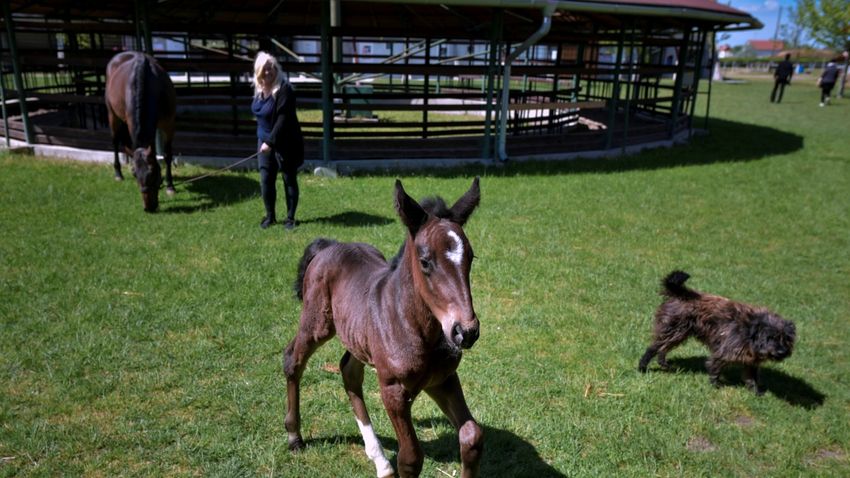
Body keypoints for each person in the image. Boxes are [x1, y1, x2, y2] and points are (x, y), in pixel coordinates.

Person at [251, 51, 304, 229]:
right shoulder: (259, 91)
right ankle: (270, 216)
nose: (269, 72)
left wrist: (270, 142)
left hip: (285, 142)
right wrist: (262, 140)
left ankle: (290, 218)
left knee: (289, 179)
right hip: (264, 141)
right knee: (266, 179)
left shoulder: (284, 89)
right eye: (265, 69)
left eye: (272, 68)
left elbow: (283, 119)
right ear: (258, 71)